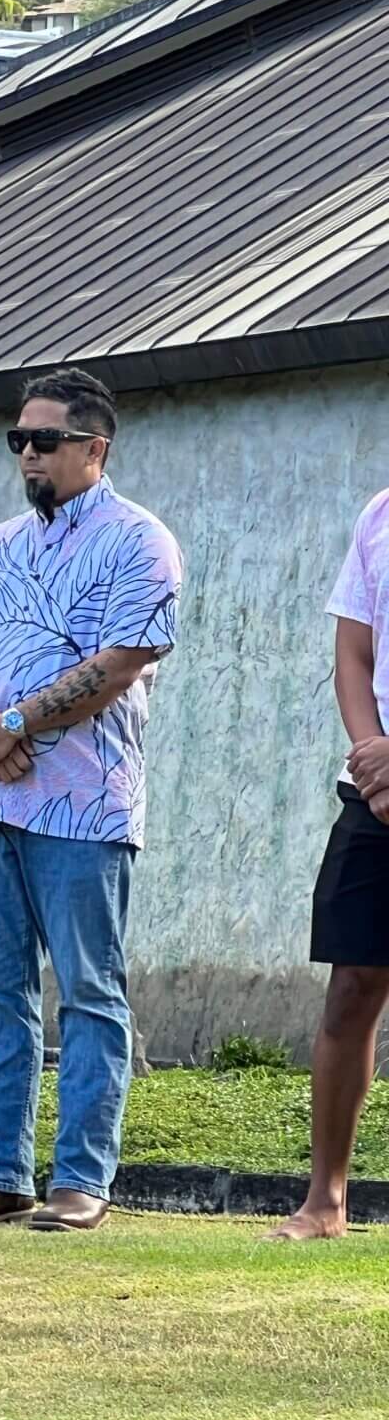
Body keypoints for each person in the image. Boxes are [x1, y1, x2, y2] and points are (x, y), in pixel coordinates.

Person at [0, 369, 182, 1233]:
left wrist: (18, 719)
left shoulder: (141, 541)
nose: (26, 454)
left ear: (94, 448)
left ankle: (80, 1182)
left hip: (84, 807)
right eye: (17, 440)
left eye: (44, 441)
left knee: (90, 993)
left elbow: (126, 657)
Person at [267, 488, 389, 1241]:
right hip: (376, 794)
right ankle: (326, 1202)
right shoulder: (381, 514)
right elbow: (354, 653)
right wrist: (374, 758)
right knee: (351, 986)